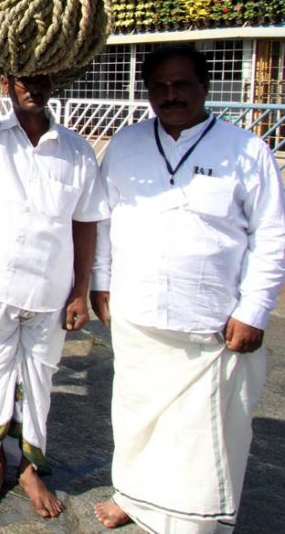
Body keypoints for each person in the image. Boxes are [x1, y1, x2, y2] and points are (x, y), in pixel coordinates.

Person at [90, 46, 285, 533]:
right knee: (136, 419)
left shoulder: (246, 150)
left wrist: (256, 309)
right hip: (138, 314)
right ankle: (133, 497)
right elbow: (104, 220)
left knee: (204, 435)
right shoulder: (126, 144)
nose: (169, 95)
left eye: (181, 85)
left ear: (205, 87)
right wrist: (101, 284)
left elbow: (272, 234)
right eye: (159, 86)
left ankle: (195, 522)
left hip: (212, 325)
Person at [0, 37, 107, 519]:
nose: (32, 88)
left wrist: (81, 291)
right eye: (23, 80)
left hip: (51, 289)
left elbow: (85, 224)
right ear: (6, 85)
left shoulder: (76, 150)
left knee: (40, 378)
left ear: (52, 84)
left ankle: (30, 467)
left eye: (41, 80)